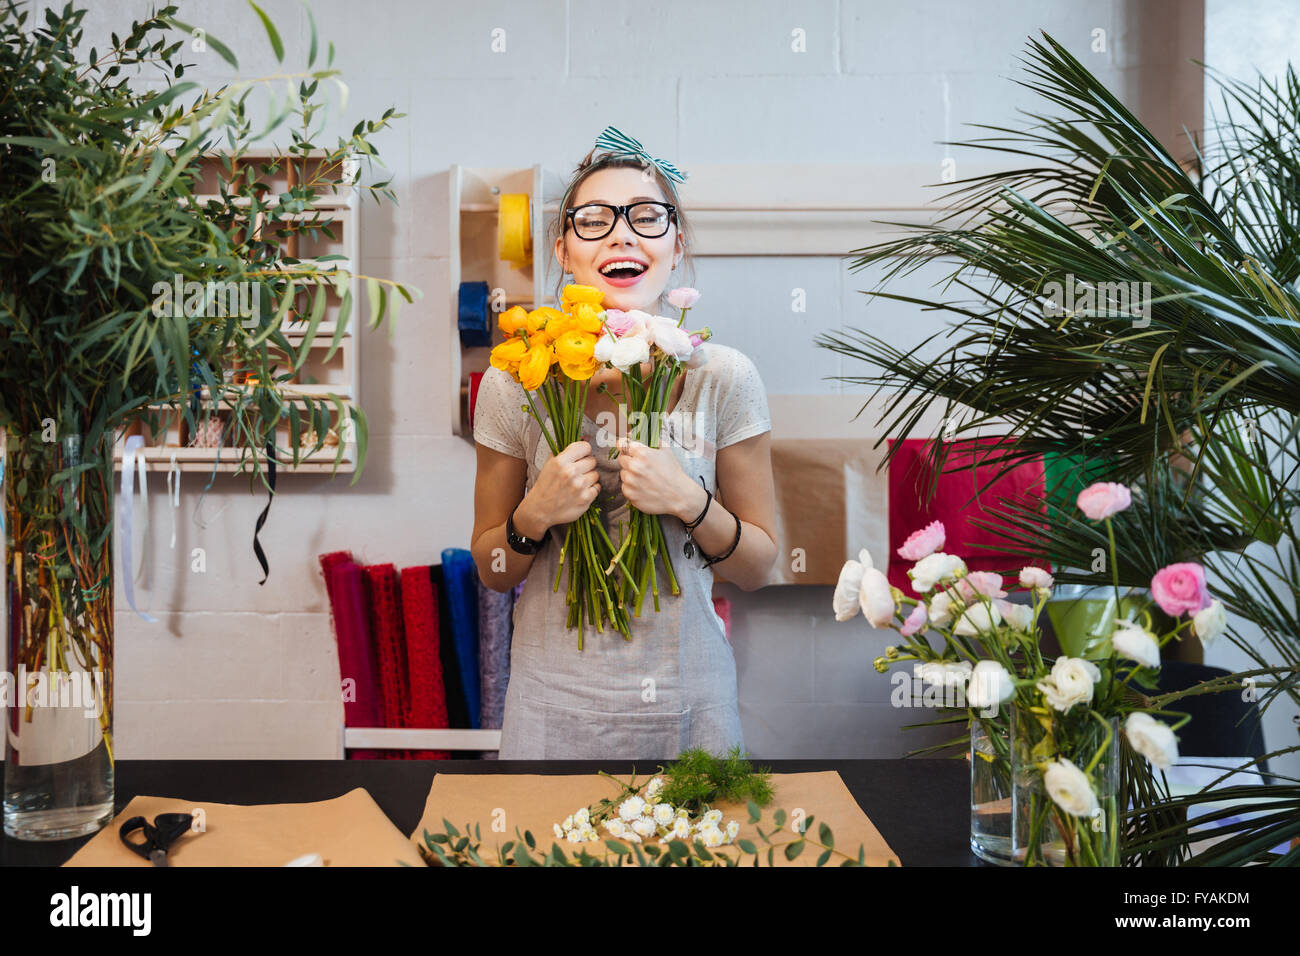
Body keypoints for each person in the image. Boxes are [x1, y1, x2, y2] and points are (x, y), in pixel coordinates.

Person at [470, 128, 778, 759]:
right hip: (552, 707)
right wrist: (535, 514)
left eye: (646, 217)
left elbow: (757, 569)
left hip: (691, 705)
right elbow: (493, 572)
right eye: (594, 219)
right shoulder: (514, 380)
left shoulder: (722, 377)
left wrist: (689, 502)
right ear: (563, 249)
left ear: (676, 243)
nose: (622, 233)